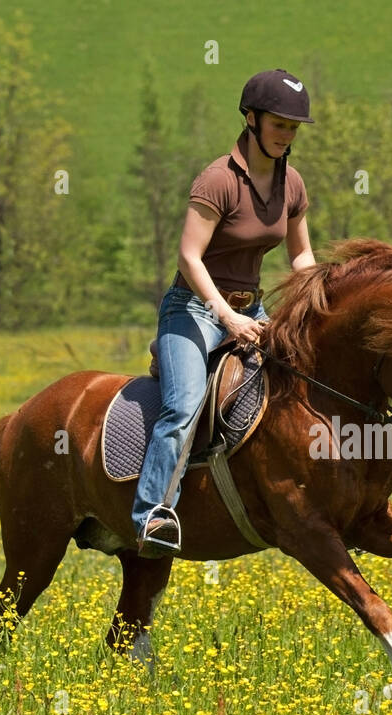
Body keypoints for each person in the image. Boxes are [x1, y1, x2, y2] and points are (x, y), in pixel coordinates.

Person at [133, 68, 316, 557]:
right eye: (279, 124)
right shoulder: (218, 180)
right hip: (193, 308)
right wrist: (227, 317)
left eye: (293, 128)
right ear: (251, 119)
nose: (286, 135)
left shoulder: (291, 183)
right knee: (184, 405)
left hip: (252, 309)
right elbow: (189, 258)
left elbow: (301, 257)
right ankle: (153, 513)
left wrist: (310, 300)